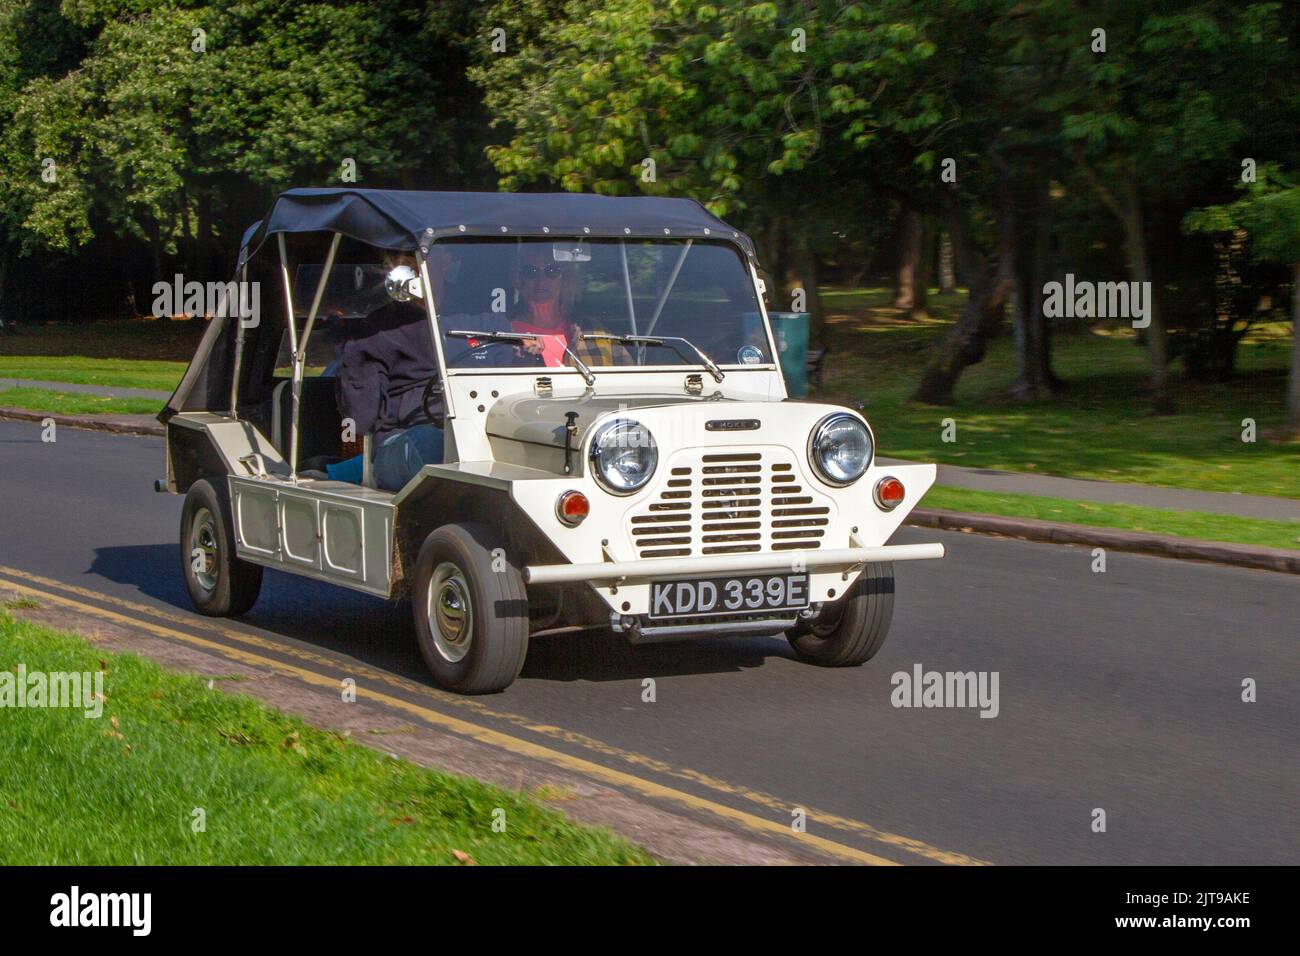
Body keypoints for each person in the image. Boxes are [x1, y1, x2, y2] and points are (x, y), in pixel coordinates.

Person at [315, 249, 449, 491]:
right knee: (433, 447)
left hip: (440, 438)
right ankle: (337, 472)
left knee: (437, 446)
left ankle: (335, 472)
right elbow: (360, 419)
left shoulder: (375, 330)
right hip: (414, 441)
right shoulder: (478, 320)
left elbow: (359, 417)